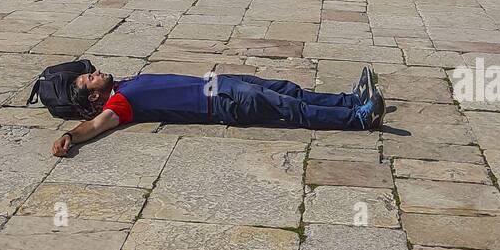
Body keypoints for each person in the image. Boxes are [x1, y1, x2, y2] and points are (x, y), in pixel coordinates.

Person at [49, 64, 386, 156]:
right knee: (288, 106)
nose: (95, 73)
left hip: (219, 83)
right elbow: (95, 127)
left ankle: (349, 99)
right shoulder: (117, 104)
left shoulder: (121, 85)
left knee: (286, 89)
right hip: (221, 102)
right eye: (89, 79)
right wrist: (70, 136)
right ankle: (358, 119)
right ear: (94, 98)